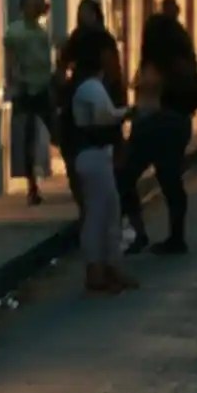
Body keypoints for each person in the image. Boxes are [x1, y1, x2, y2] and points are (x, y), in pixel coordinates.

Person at [118, 3, 197, 255]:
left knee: (124, 178)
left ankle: (139, 232)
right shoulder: (183, 63)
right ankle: (176, 236)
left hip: (152, 125)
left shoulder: (154, 65)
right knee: (170, 181)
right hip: (178, 124)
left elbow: (147, 100)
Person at [61, 29, 139, 294]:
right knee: (100, 214)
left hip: (93, 155)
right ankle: (98, 271)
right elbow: (104, 117)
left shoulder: (88, 85)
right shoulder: (91, 87)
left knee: (105, 212)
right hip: (93, 155)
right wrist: (127, 113)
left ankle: (107, 268)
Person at [56, 0, 127, 219]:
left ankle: (100, 208)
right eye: (80, 12)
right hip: (80, 99)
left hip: (100, 99)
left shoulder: (103, 40)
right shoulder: (76, 38)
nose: (82, 16)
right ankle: (88, 208)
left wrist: (114, 99)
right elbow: (62, 64)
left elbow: (113, 71)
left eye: (85, 12)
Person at [4, 0, 55, 206]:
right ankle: (31, 186)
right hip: (25, 88)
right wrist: (15, 82)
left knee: (54, 129)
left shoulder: (42, 32)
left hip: (42, 87)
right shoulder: (15, 32)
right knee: (27, 138)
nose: (39, 7)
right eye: (35, 3)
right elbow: (11, 60)